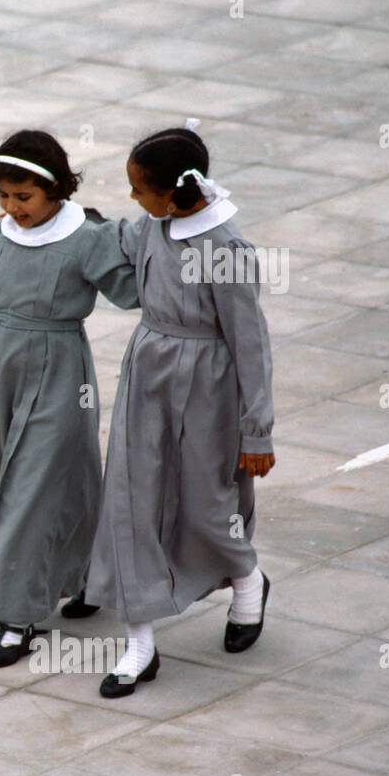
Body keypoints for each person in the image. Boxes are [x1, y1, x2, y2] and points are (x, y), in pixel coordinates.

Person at [0, 129, 140, 669]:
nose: (12, 207)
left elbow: (131, 293)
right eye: (3, 196)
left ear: (55, 189)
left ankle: (16, 618)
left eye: (23, 197)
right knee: (50, 482)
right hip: (5, 371)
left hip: (60, 374)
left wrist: (134, 237)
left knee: (28, 493)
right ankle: (86, 579)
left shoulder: (85, 238)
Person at [89, 122, 276, 698]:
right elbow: (118, 236)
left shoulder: (225, 248)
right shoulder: (153, 224)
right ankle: (139, 644)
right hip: (148, 374)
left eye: (140, 189)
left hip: (208, 385)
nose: (134, 200)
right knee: (131, 499)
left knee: (206, 504)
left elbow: (251, 342)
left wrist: (257, 431)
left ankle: (246, 581)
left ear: (178, 192)